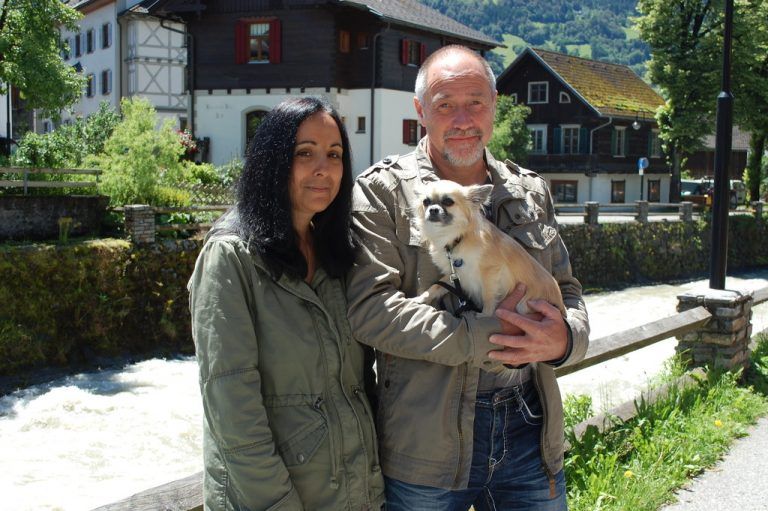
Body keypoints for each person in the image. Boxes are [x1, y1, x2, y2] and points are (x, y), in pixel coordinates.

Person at [346, 45, 590, 510]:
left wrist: (564, 342)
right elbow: (369, 311)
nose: (463, 118)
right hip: (426, 445)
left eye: (476, 102)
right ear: (421, 111)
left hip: (530, 433)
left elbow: (570, 294)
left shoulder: (530, 190)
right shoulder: (381, 193)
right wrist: (481, 338)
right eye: (445, 105)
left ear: (495, 105)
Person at [188, 96, 385, 510]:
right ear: (272, 161)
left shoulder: (336, 255)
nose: (323, 169)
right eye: (304, 153)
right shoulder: (231, 257)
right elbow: (233, 412)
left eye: (334, 154)